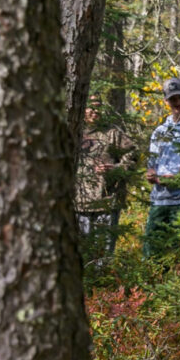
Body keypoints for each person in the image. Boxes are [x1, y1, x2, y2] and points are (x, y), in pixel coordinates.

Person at [144, 77, 180, 257]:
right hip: (159, 201)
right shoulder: (159, 131)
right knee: (152, 254)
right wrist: (151, 173)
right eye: (172, 99)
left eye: (179, 98)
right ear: (165, 101)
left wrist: (179, 179)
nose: (176, 103)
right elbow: (151, 163)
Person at [76, 96, 135, 256]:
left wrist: (116, 168)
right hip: (78, 204)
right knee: (80, 254)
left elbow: (132, 155)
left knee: (102, 255)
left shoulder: (112, 133)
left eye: (98, 108)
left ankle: (105, 280)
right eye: (91, 107)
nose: (95, 112)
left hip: (106, 202)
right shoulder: (74, 131)